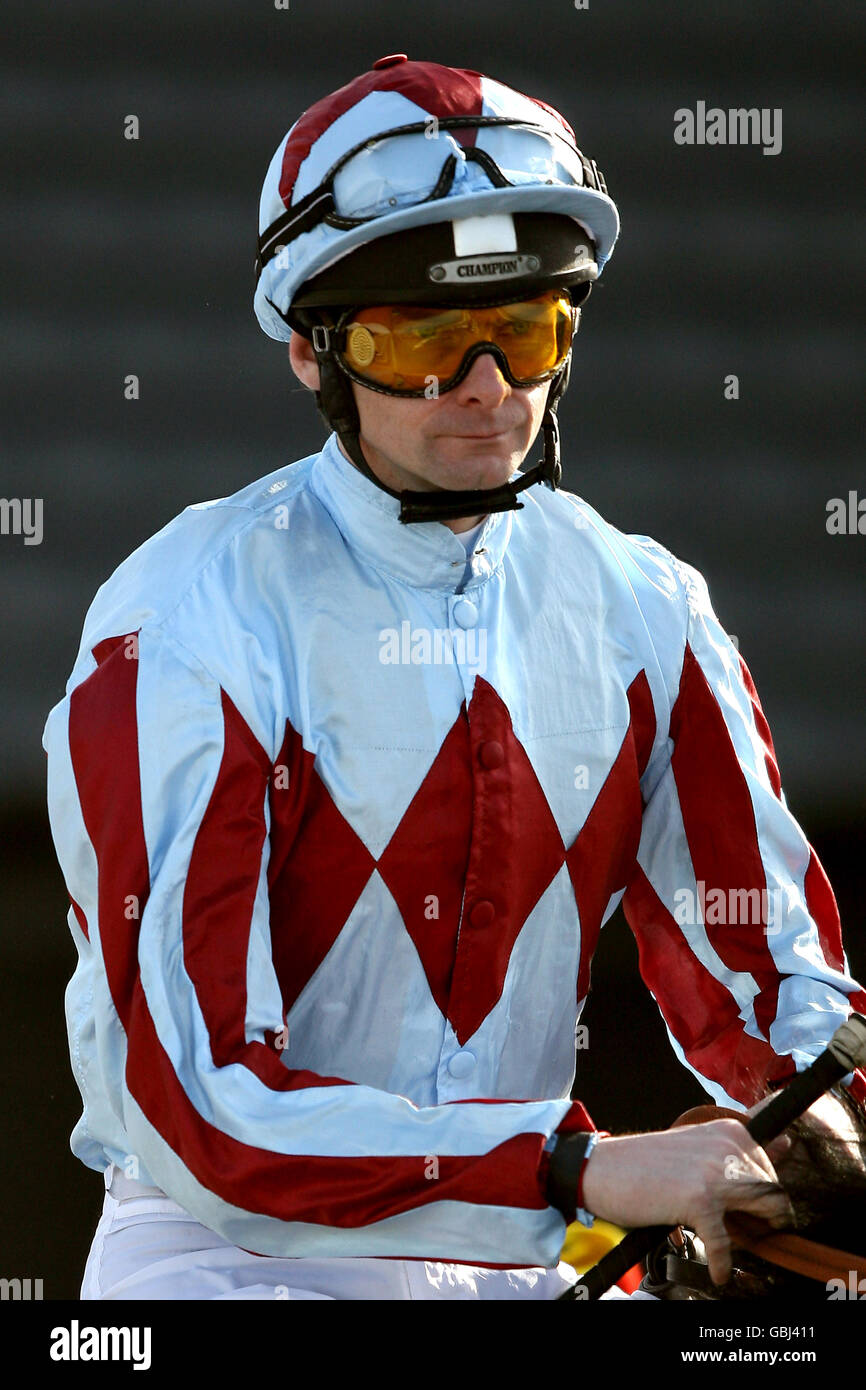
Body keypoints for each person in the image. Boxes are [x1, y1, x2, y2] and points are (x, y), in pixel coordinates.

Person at [43, 54, 865, 1301]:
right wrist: (575, 1172)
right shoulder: (186, 617)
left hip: (532, 1251)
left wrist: (818, 1142)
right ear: (312, 355)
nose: (484, 389)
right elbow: (200, 1105)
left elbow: (773, 992)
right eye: (423, 338)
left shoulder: (649, 606)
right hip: (227, 1254)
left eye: (523, 329)